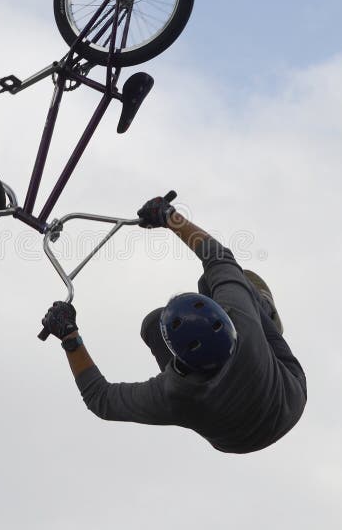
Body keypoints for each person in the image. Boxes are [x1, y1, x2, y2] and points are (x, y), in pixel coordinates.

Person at [41, 192, 307, 453]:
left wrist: (69, 336)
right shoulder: (241, 317)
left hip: (240, 438)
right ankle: (264, 308)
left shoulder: (173, 394)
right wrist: (169, 216)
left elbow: (101, 399)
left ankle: (262, 311)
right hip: (290, 394)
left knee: (154, 323)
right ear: (228, 324)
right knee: (216, 281)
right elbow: (218, 255)